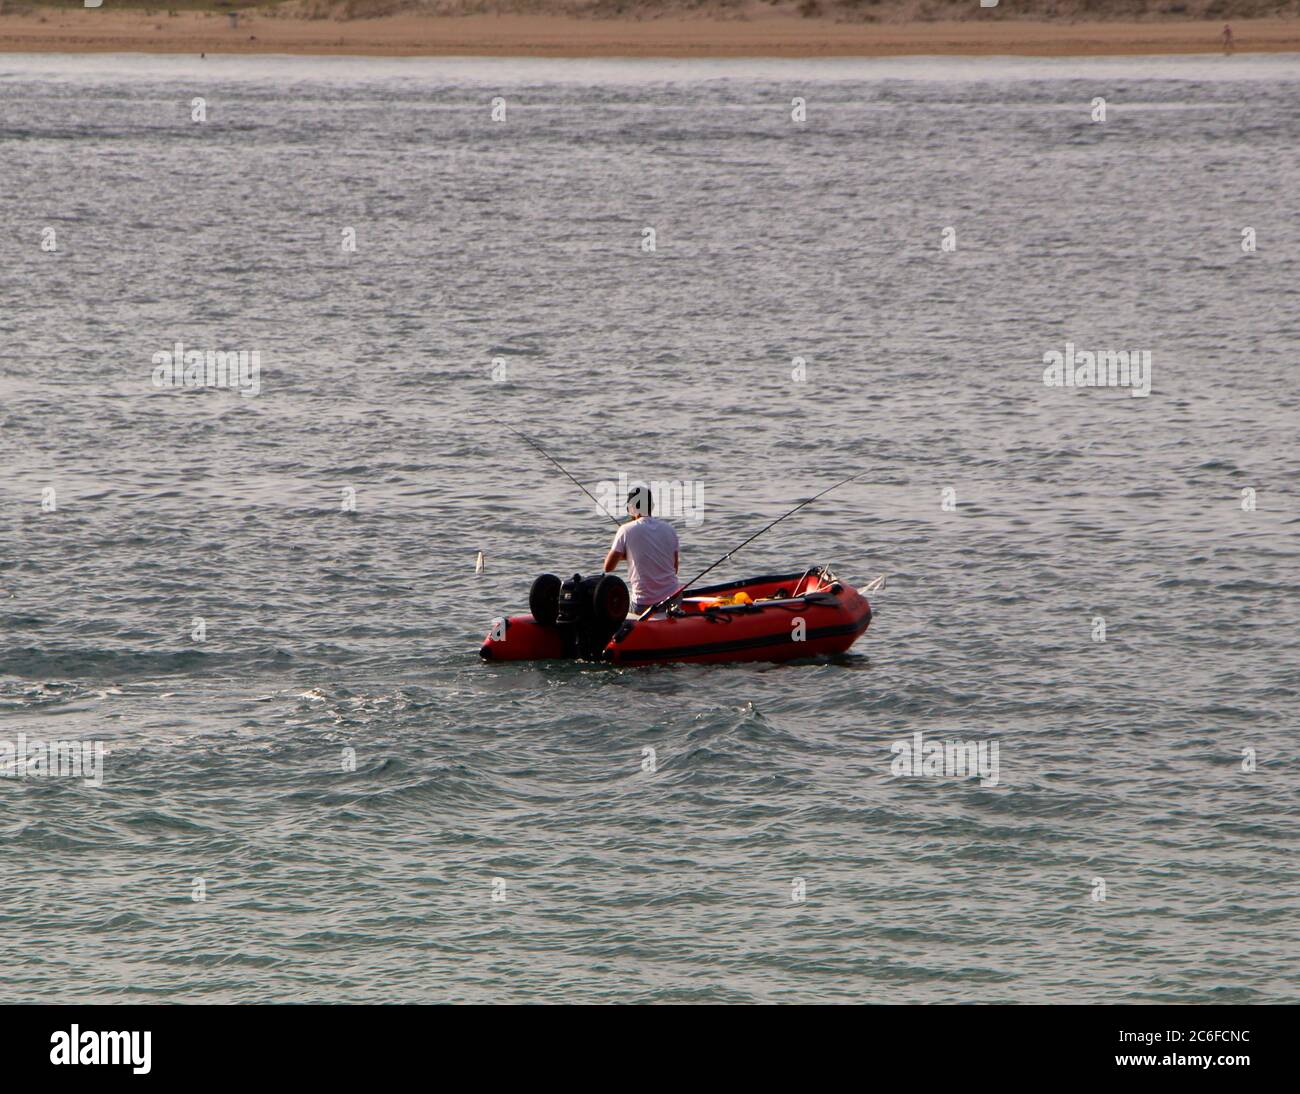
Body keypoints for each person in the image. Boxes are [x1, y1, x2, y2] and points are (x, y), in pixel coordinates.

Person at [603, 486, 680, 614]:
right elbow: (674, 569)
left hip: (644, 603)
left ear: (632, 507)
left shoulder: (625, 530)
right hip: (674, 598)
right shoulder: (670, 529)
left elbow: (608, 567)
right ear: (652, 507)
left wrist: (626, 555)